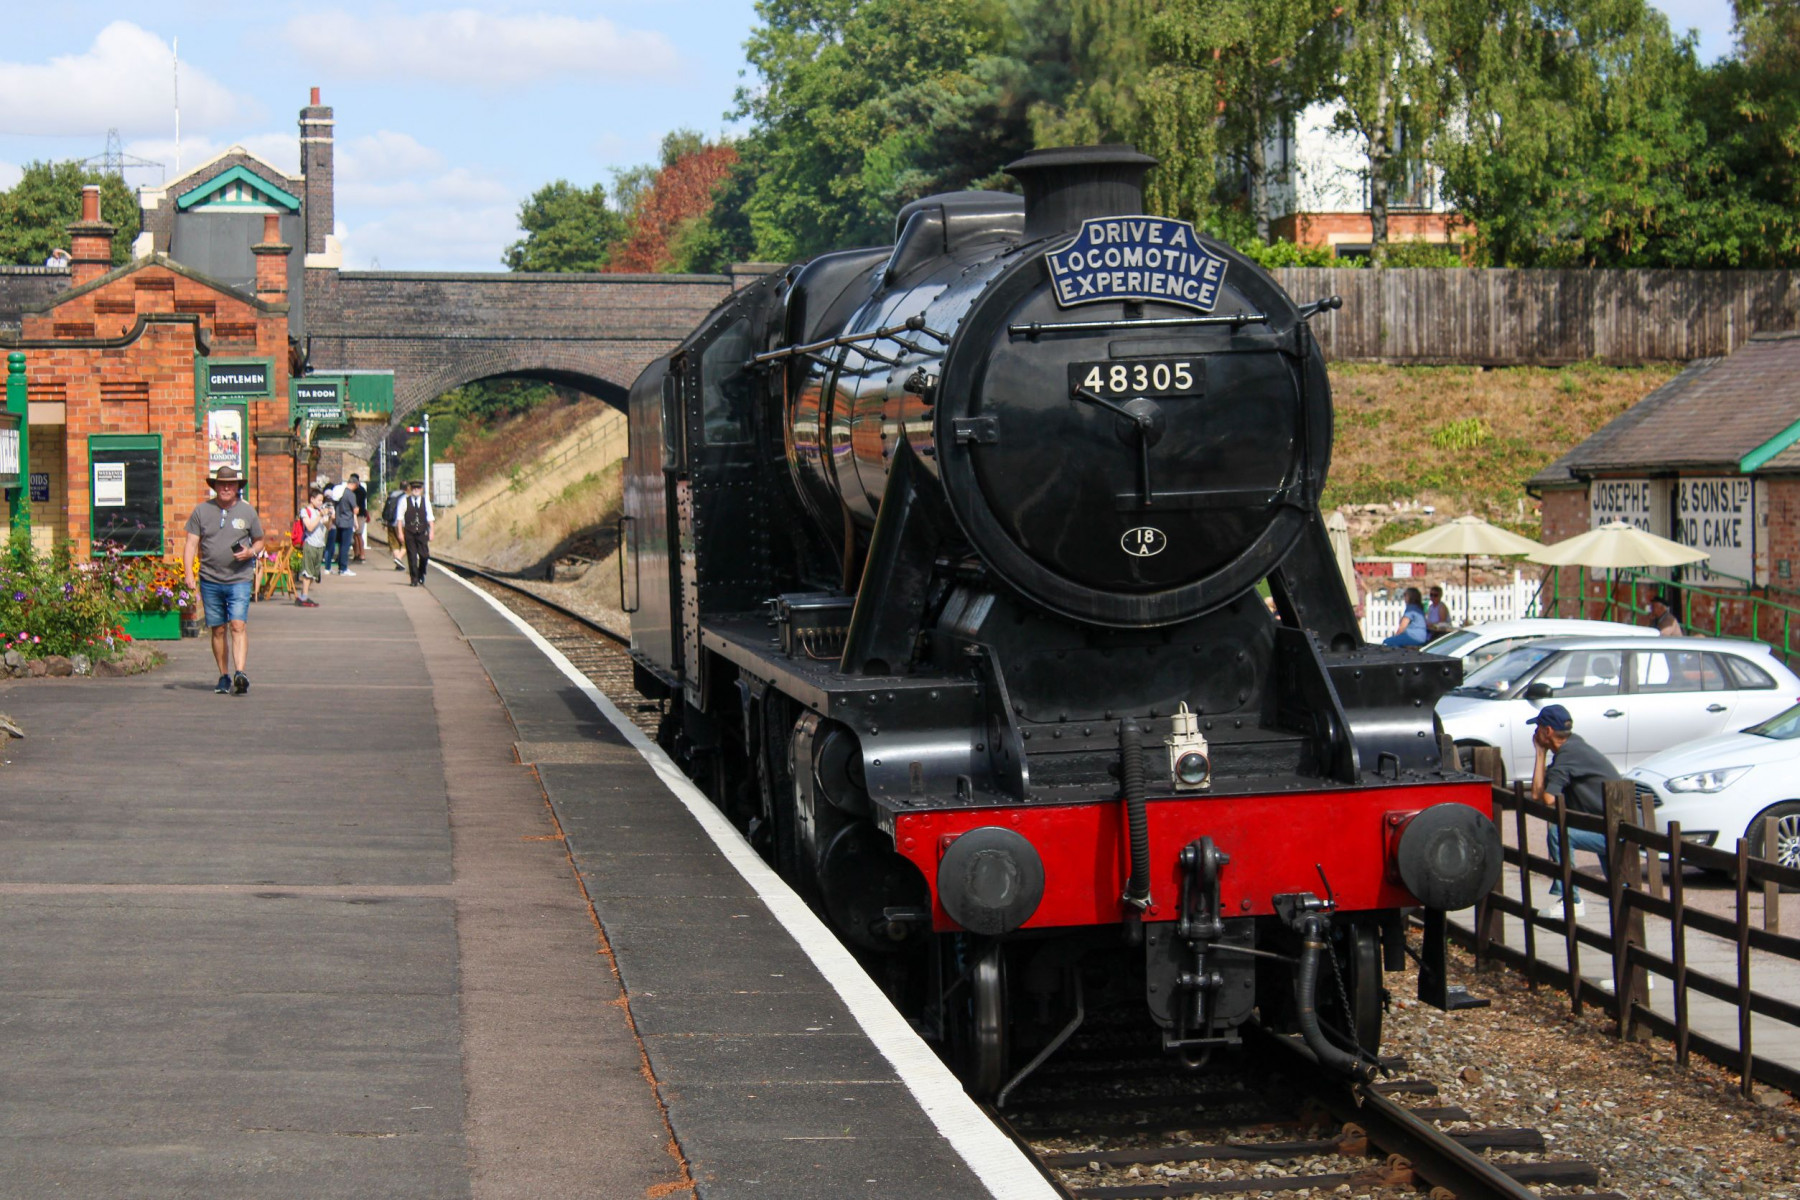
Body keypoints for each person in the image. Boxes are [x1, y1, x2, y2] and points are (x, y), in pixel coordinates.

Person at [1529, 703, 1621, 915]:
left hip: (1613, 830)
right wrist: (1541, 753)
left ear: (1547, 731)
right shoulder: (1573, 748)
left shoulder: (1569, 754)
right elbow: (1537, 794)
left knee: (1559, 835)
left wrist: (1540, 753)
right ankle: (1626, 907)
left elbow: (1548, 798)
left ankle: (1571, 899)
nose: (1534, 733)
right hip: (1607, 826)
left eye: (1537, 728)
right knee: (1619, 888)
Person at [182, 465, 264, 695]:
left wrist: (250, 552)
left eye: (231, 484)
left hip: (239, 578)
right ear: (215, 486)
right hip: (210, 579)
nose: (226, 487)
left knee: (238, 624)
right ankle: (224, 675)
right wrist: (189, 573)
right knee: (217, 629)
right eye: (221, 484)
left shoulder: (248, 512)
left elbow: (259, 540)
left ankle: (240, 673)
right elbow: (191, 544)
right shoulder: (201, 511)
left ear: (238, 487)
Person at [397, 478, 434, 586]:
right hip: (409, 532)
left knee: (424, 556)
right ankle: (414, 578)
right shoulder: (404, 501)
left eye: (418, 488)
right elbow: (399, 518)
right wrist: (400, 532)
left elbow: (430, 518)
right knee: (412, 556)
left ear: (421, 489)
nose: (416, 489)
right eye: (414, 488)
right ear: (410, 489)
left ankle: (421, 572)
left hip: (422, 532)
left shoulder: (425, 501)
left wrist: (431, 532)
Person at [296, 486, 327, 608]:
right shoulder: (306, 511)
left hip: (320, 544)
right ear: (312, 499)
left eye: (322, 501)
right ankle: (303, 596)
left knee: (314, 573)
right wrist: (319, 516)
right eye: (319, 500)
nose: (321, 503)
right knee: (307, 572)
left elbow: (328, 527)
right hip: (310, 544)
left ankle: (304, 595)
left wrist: (330, 517)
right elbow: (309, 527)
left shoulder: (320, 511)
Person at [327, 478, 357, 576]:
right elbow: (355, 509)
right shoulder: (350, 494)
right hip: (347, 522)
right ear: (353, 484)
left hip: (339, 522)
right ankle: (343, 568)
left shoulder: (339, 493)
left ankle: (340, 567)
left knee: (341, 546)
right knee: (345, 546)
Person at [381, 486, 407, 571]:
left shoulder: (392, 495)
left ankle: (398, 564)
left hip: (390, 522)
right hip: (402, 523)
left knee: (394, 543)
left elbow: (386, 509)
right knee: (407, 543)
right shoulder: (405, 497)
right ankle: (398, 558)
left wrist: (385, 521)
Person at [348, 473, 369, 563]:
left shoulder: (360, 490)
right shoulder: (358, 490)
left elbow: (357, 503)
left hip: (359, 515)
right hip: (356, 514)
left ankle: (362, 554)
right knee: (355, 535)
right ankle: (357, 553)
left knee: (358, 534)